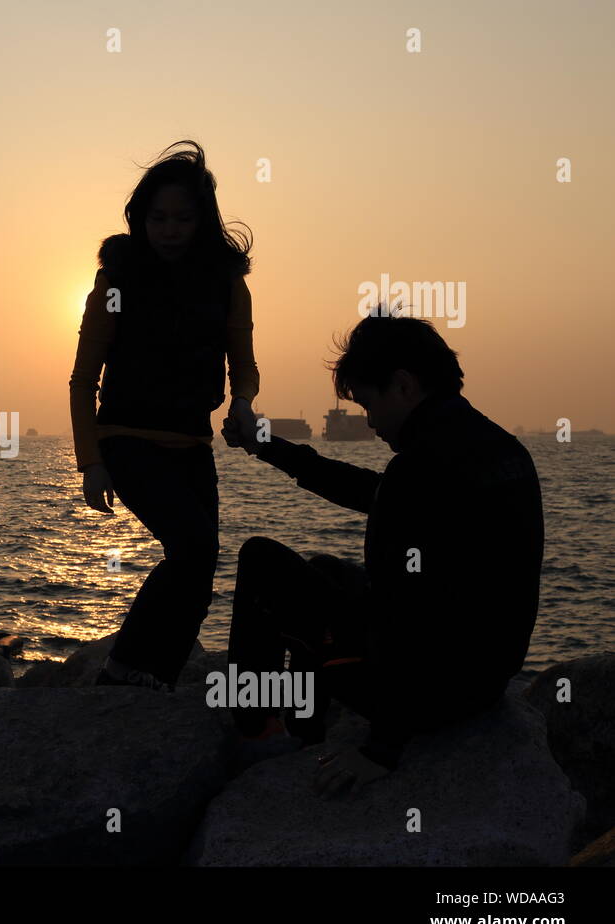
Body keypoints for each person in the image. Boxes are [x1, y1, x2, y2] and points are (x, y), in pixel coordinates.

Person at [220, 310, 544, 794]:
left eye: (368, 403)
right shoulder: (499, 448)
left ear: (404, 385)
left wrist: (382, 748)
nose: (369, 421)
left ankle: (258, 731)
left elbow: (404, 609)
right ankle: (306, 726)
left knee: (261, 560)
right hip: (482, 682)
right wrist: (266, 446)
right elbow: (376, 494)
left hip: (427, 697)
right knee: (326, 570)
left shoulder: (419, 467)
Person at [70, 140, 258, 690]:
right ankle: (120, 668)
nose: (169, 229)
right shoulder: (115, 282)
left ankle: (160, 679)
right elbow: (84, 381)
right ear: (140, 219)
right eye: (158, 218)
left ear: (202, 220)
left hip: (193, 446)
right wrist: (91, 462)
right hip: (125, 440)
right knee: (194, 547)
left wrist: (243, 404)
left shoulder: (226, 285)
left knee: (201, 570)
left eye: (182, 218)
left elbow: (244, 367)